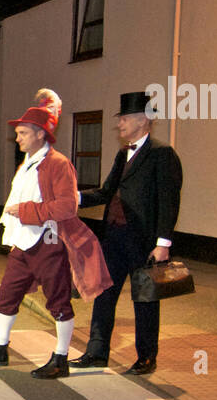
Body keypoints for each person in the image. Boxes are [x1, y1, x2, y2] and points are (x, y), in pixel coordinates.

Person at [0, 91, 111, 378]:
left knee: (57, 301)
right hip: (23, 242)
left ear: (40, 134)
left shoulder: (58, 164)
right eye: (17, 133)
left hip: (48, 242)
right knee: (6, 296)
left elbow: (68, 206)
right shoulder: (28, 161)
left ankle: (60, 358)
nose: (17, 138)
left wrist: (27, 211)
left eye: (22, 133)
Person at [71, 90, 183, 375]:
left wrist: (163, 243)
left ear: (143, 120)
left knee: (145, 300)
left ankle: (146, 357)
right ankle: (97, 352)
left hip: (145, 241)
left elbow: (169, 201)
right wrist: (72, 198)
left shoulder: (162, 154)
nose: (119, 124)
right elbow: (107, 192)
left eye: (124, 118)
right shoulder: (123, 154)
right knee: (104, 294)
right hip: (114, 237)